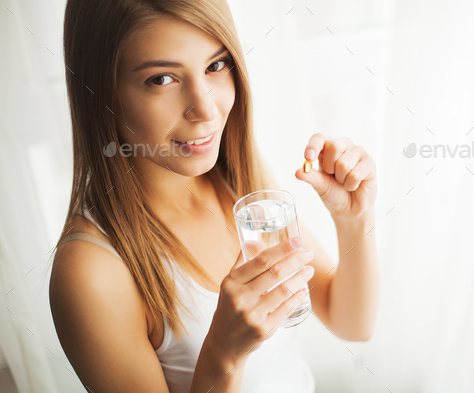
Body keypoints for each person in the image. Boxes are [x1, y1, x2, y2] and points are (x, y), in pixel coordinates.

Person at [48, 1, 379, 392]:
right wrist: (223, 353)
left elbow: (351, 323)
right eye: (161, 79)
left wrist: (353, 219)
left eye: (216, 65)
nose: (205, 110)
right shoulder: (91, 272)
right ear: (100, 89)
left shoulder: (238, 177)